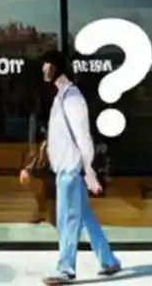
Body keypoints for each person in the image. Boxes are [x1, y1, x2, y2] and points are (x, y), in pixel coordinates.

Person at [20, 50, 121, 285]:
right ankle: (108, 261)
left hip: (70, 170)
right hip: (63, 169)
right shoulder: (60, 98)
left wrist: (87, 169)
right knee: (85, 217)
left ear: (57, 68)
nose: (44, 69)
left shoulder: (73, 98)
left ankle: (66, 268)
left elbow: (83, 137)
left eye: (47, 64)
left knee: (67, 219)